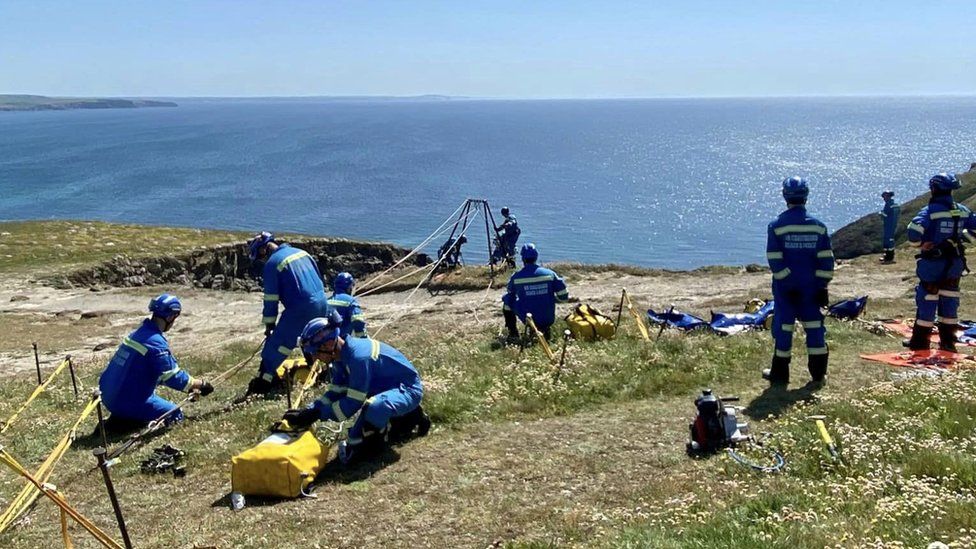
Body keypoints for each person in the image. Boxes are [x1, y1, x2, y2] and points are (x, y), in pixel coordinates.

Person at [281, 314, 430, 465]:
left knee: (372, 413)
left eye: (316, 352)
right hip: (384, 388)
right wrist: (310, 410)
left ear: (328, 344)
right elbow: (336, 391)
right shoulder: (340, 356)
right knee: (355, 440)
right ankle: (408, 417)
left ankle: (383, 439)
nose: (315, 358)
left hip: (407, 389)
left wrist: (319, 414)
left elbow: (353, 402)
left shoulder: (358, 358)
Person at [98, 294, 213, 431]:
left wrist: (188, 388)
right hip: (125, 399)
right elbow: (172, 377)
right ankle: (124, 421)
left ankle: (121, 420)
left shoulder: (139, 333)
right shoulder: (156, 343)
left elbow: (152, 372)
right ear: (171, 317)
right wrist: (199, 384)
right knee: (175, 413)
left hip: (107, 393)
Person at [763, 177, 834, 388]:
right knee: (815, 328)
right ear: (806, 196)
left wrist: (788, 284)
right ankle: (818, 374)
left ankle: (780, 374)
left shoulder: (776, 226)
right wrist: (822, 285)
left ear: (785, 195)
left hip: (787, 290)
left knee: (784, 328)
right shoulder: (819, 227)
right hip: (812, 288)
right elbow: (826, 259)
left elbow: (775, 259)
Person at [246, 232, 331, 395]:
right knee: (316, 340)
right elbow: (319, 279)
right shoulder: (302, 252)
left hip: (300, 309)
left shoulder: (273, 263)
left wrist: (270, 325)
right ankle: (328, 373)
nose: (262, 261)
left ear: (263, 250)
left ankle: (265, 384)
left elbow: (271, 299)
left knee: (276, 346)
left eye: (260, 257)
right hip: (322, 303)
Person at [904, 173, 976, 352]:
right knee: (950, 297)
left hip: (933, 262)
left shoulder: (930, 211)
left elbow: (913, 231)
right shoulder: (962, 210)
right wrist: (964, 239)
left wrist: (920, 244)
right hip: (955, 263)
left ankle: (920, 343)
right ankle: (948, 343)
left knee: (928, 297)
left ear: (934, 189)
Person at [502, 243, 570, 341]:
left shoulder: (516, 277)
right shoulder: (550, 274)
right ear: (536, 257)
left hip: (528, 318)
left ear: (523, 259)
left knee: (507, 300)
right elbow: (564, 296)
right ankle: (545, 330)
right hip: (548, 318)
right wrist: (551, 299)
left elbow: (510, 292)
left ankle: (513, 333)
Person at [328, 272, 367, 338]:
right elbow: (358, 320)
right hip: (343, 341)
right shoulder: (351, 301)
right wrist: (363, 339)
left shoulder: (327, 301)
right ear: (349, 286)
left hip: (327, 342)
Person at [879, 190, 900, 264]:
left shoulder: (888, 204)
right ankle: (889, 256)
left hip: (888, 224)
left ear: (888, 196)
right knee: (891, 239)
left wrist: (881, 213)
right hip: (894, 224)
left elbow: (885, 214)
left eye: (884, 197)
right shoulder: (896, 205)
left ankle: (888, 257)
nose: (884, 198)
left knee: (887, 240)